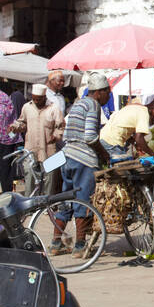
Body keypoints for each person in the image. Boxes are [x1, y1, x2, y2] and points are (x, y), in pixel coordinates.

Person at [55, 72, 111, 258]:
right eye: (107, 92)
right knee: (83, 201)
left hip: (67, 157)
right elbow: (89, 136)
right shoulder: (93, 105)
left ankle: (56, 243)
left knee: (67, 199)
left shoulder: (78, 104)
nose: (108, 96)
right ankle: (80, 245)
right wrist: (104, 154)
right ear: (99, 92)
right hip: (84, 160)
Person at [11, 83, 66, 191]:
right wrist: (14, 127)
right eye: (34, 99)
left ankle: (48, 205)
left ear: (44, 97)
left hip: (49, 150)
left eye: (39, 99)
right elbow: (22, 123)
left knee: (49, 181)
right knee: (30, 179)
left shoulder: (53, 108)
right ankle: (31, 205)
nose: (36, 102)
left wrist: (56, 136)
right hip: (30, 149)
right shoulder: (27, 107)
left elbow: (61, 126)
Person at [100, 93, 154, 164]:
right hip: (112, 143)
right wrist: (153, 154)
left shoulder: (136, 107)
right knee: (125, 172)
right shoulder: (144, 113)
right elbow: (139, 138)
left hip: (104, 138)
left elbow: (123, 127)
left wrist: (135, 144)